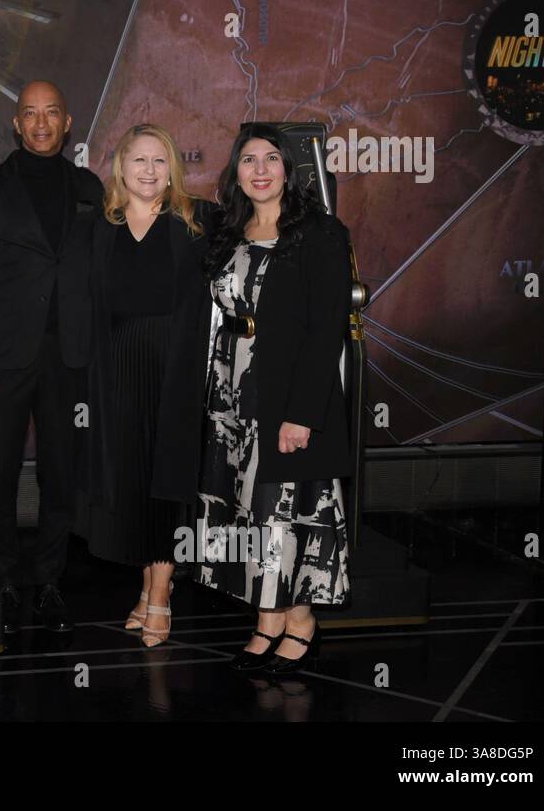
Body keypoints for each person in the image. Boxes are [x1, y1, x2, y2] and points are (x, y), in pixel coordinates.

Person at [194, 123, 352, 674]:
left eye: (270, 159)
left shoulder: (320, 234)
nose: (259, 170)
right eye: (247, 160)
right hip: (233, 395)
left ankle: (298, 618)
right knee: (251, 512)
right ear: (235, 172)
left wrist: (302, 415)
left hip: (288, 394)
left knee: (288, 509)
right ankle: (266, 617)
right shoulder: (227, 232)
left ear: (288, 168)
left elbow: (325, 330)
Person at [0, 80, 103, 634]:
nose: (41, 123)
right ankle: (9, 579)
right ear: (16, 124)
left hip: (70, 358)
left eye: (52, 113)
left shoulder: (90, 188)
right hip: (1, 358)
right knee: (1, 473)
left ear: (68, 122)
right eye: (30, 114)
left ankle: (50, 577)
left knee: (62, 474)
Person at [77, 123, 215, 647]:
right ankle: (147, 590)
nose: (150, 171)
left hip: (173, 366)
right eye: (140, 160)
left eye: (161, 161)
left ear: (173, 168)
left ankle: (161, 596)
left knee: (166, 484)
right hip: (115, 370)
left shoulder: (195, 221)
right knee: (133, 484)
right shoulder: (100, 228)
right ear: (121, 166)